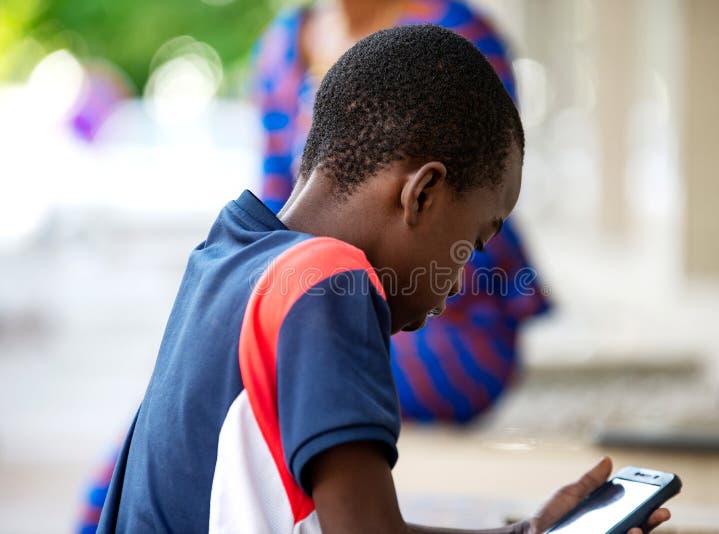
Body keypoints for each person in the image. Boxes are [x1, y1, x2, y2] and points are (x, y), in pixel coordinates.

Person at [98, 25, 669, 533]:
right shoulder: (329, 284)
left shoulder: (226, 257)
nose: (460, 281)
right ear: (422, 194)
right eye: (475, 240)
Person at [254, 0, 550, 423]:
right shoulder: (282, 47)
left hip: (451, 316)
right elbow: (274, 203)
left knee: (289, 380)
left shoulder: (452, 32)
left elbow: (483, 192)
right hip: (331, 301)